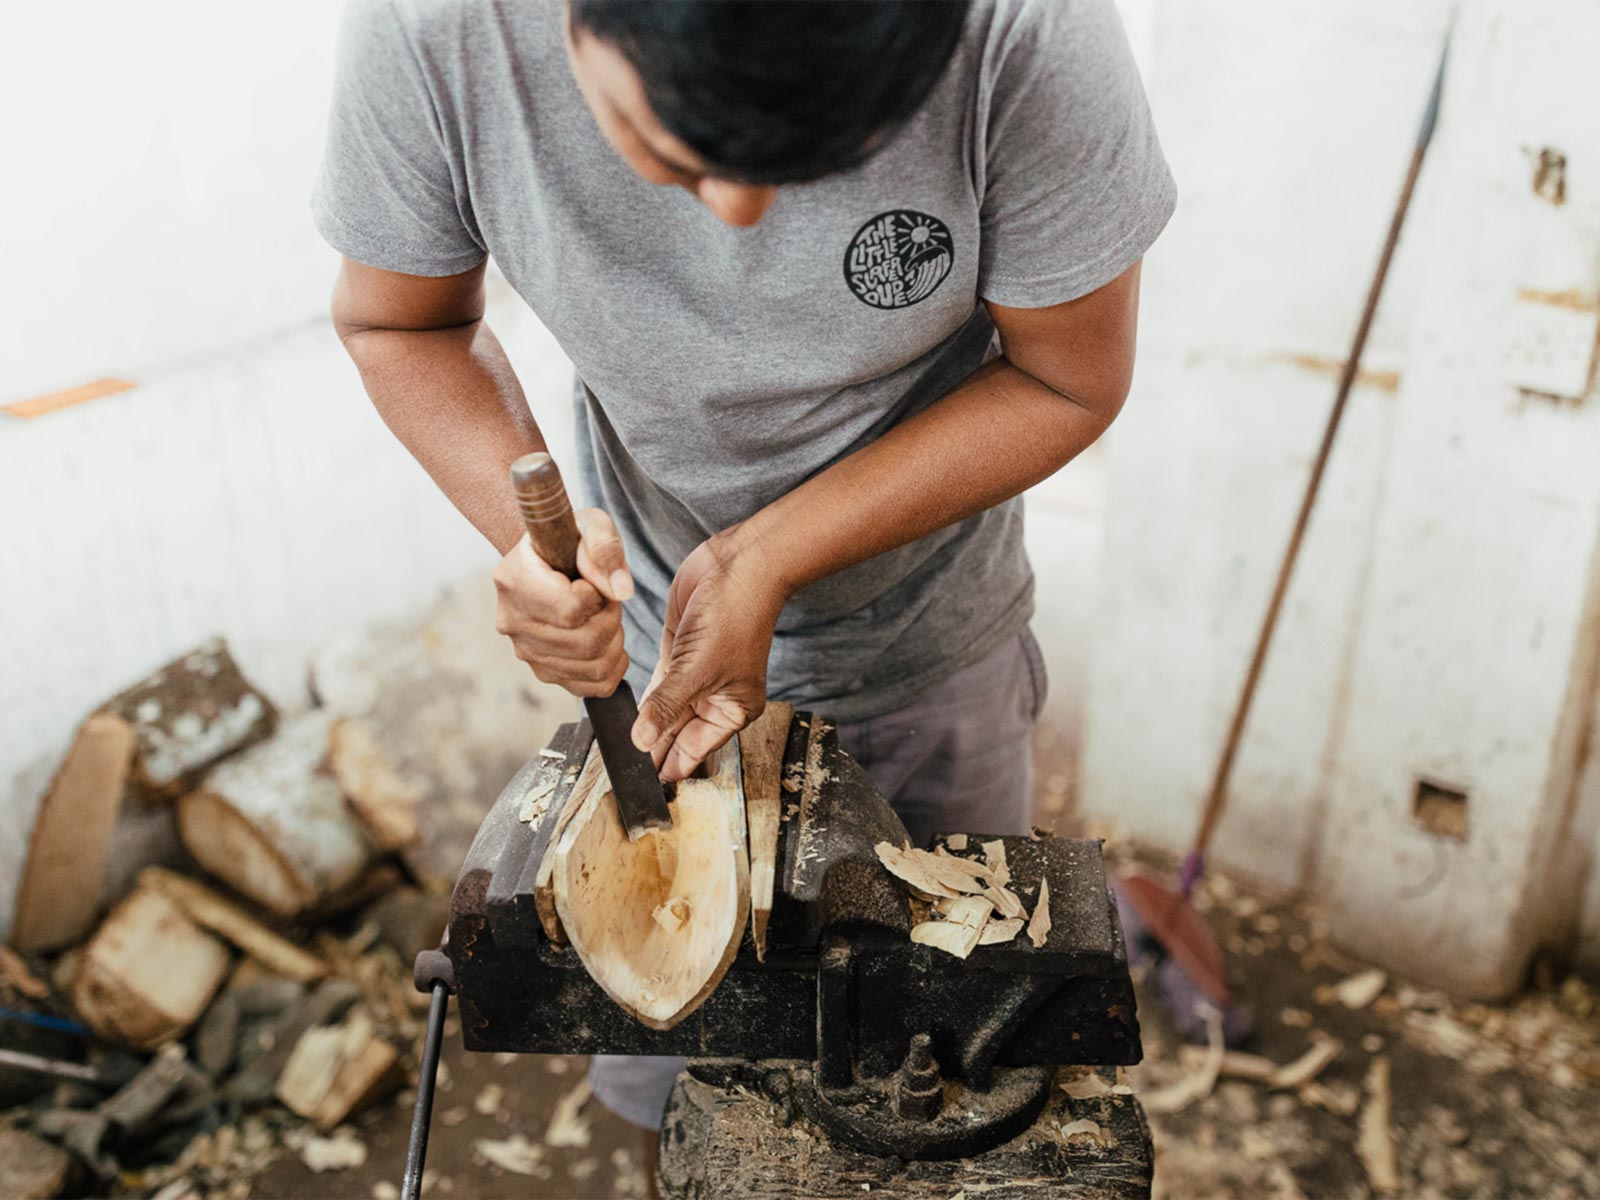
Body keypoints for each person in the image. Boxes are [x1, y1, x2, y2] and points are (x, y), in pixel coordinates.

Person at [316, 0, 1174, 1161]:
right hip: (656, 649)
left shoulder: (1026, 32)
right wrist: (529, 543)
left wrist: (765, 551)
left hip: (932, 630)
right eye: (677, 148)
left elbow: (1068, 380)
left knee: (945, 1078)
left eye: (818, 158)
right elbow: (398, 323)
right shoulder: (437, 31)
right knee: (679, 1098)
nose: (741, 210)